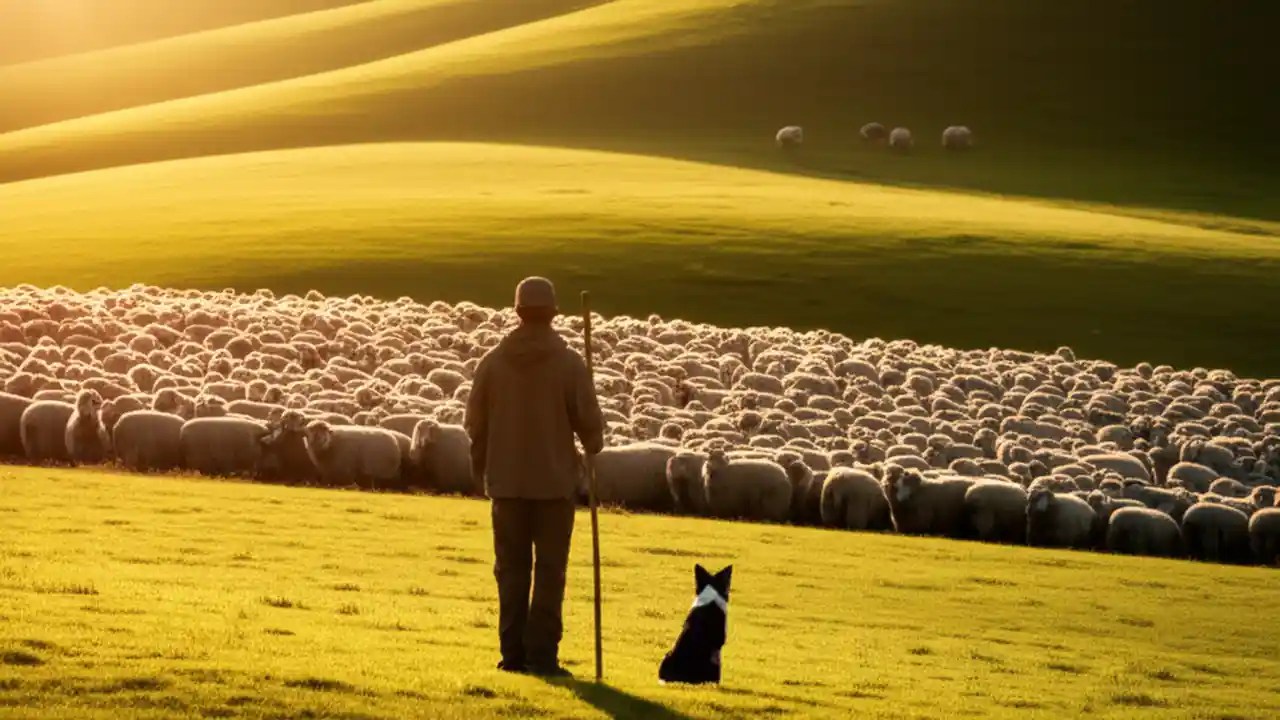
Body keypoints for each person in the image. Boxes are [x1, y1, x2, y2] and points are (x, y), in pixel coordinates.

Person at [465, 276, 605, 677]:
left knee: (510, 570)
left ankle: (511, 656)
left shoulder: (492, 362)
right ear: (552, 314)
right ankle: (542, 657)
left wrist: (483, 472)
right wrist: (592, 441)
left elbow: (475, 424)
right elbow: (590, 428)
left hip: (506, 486)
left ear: (518, 312)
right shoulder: (569, 364)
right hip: (554, 486)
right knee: (549, 571)